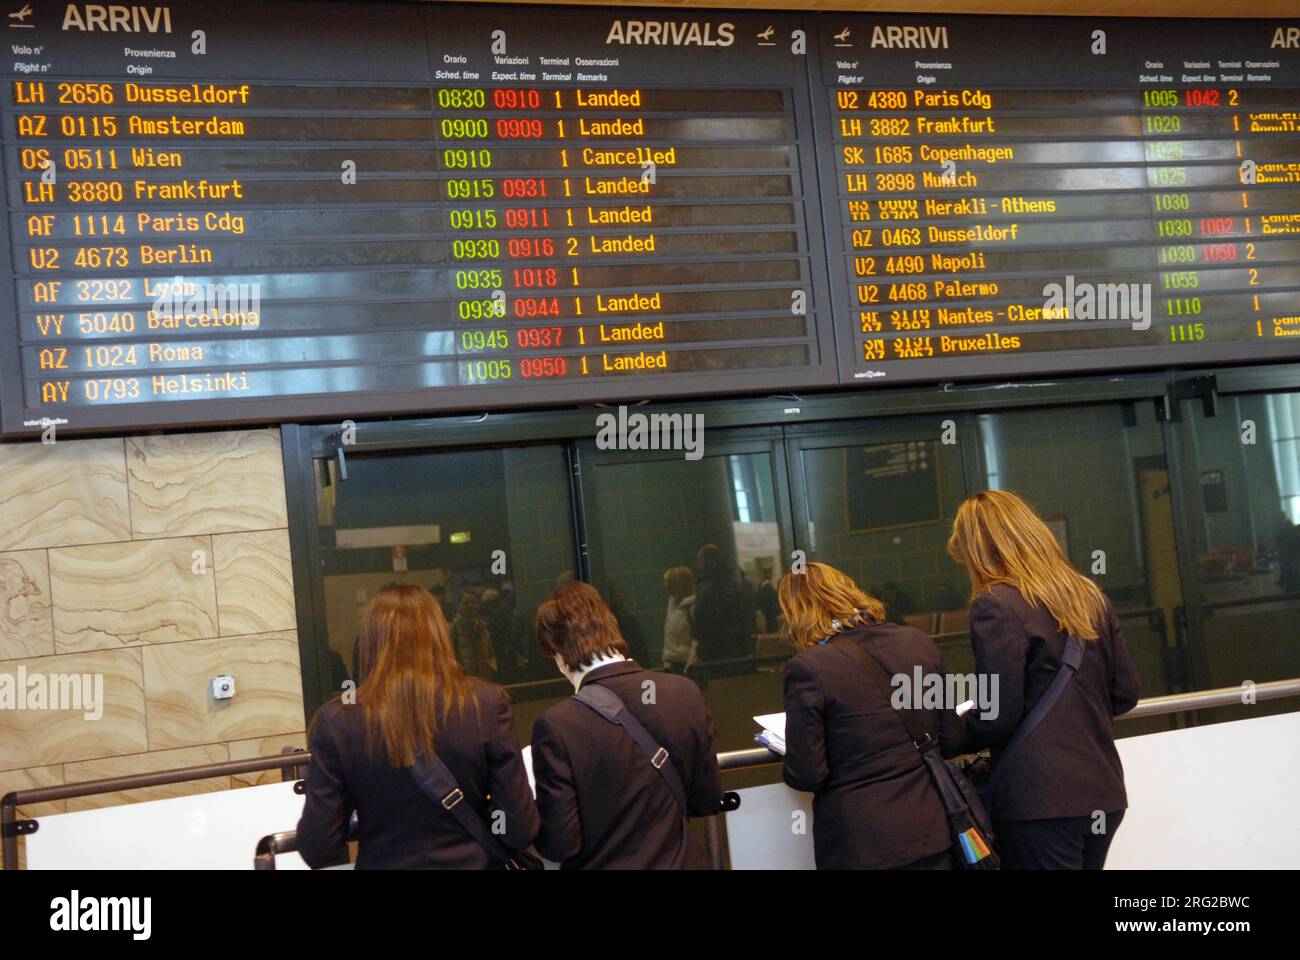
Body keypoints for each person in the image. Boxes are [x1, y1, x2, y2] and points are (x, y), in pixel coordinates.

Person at [948, 490, 1141, 870]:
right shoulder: (1088, 595)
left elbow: (996, 715)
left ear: (979, 550)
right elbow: (1126, 694)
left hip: (1040, 803)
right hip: (1102, 793)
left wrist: (948, 733)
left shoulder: (996, 604)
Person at [297, 584, 538, 868]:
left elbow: (319, 847)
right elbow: (520, 828)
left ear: (370, 642)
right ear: (439, 634)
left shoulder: (337, 722)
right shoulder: (485, 704)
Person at [780, 562, 964, 869]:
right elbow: (953, 738)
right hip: (933, 829)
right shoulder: (916, 642)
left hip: (863, 845)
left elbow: (807, 774)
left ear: (798, 613)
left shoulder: (809, 668)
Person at [530, 581, 723, 868]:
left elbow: (560, 844)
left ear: (558, 652)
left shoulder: (557, 726)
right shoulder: (684, 692)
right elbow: (706, 800)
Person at [451, 588, 497, 680]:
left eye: (473, 602)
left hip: (485, 678)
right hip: (465, 680)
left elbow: (491, 652)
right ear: (458, 606)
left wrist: (492, 667)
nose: (471, 606)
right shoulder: (453, 628)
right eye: (466, 603)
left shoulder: (483, 626)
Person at [661, 566, 697, 674]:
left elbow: (696, 639)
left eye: (667, 581)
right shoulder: (672, 603)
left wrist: (691, 665)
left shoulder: (692, 606)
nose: (664, 585)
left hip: (685, 664)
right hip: (673, 663)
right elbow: (669, 637)